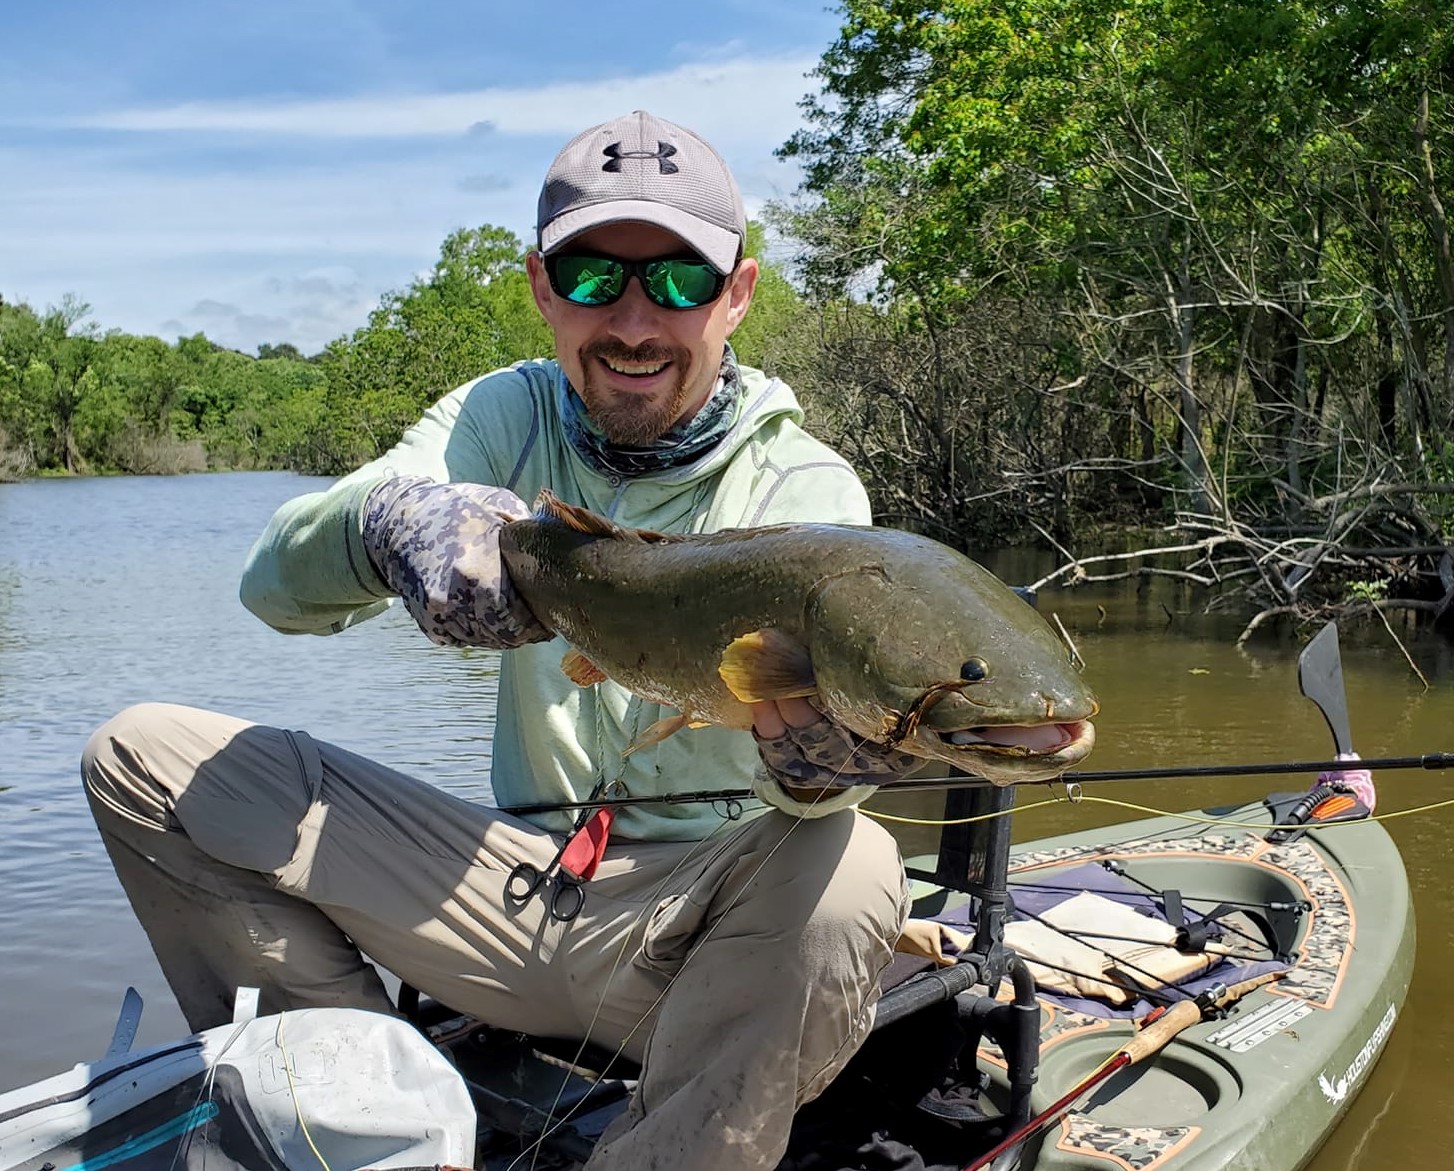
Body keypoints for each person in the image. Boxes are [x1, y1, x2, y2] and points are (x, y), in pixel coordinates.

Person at [82, 111, 916, 1171]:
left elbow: (814, 806)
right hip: (513, 884)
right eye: (590, 279)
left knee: (854, 861)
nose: (632, 321)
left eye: (675, 282)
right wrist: (387, 526)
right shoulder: (496, 415)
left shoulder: (804, 491)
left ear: (737, 293)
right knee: (141, 756)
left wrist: (821, 762)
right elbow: (272, 587)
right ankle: (366, 1117)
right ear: (538, 286)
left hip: (698, 938)